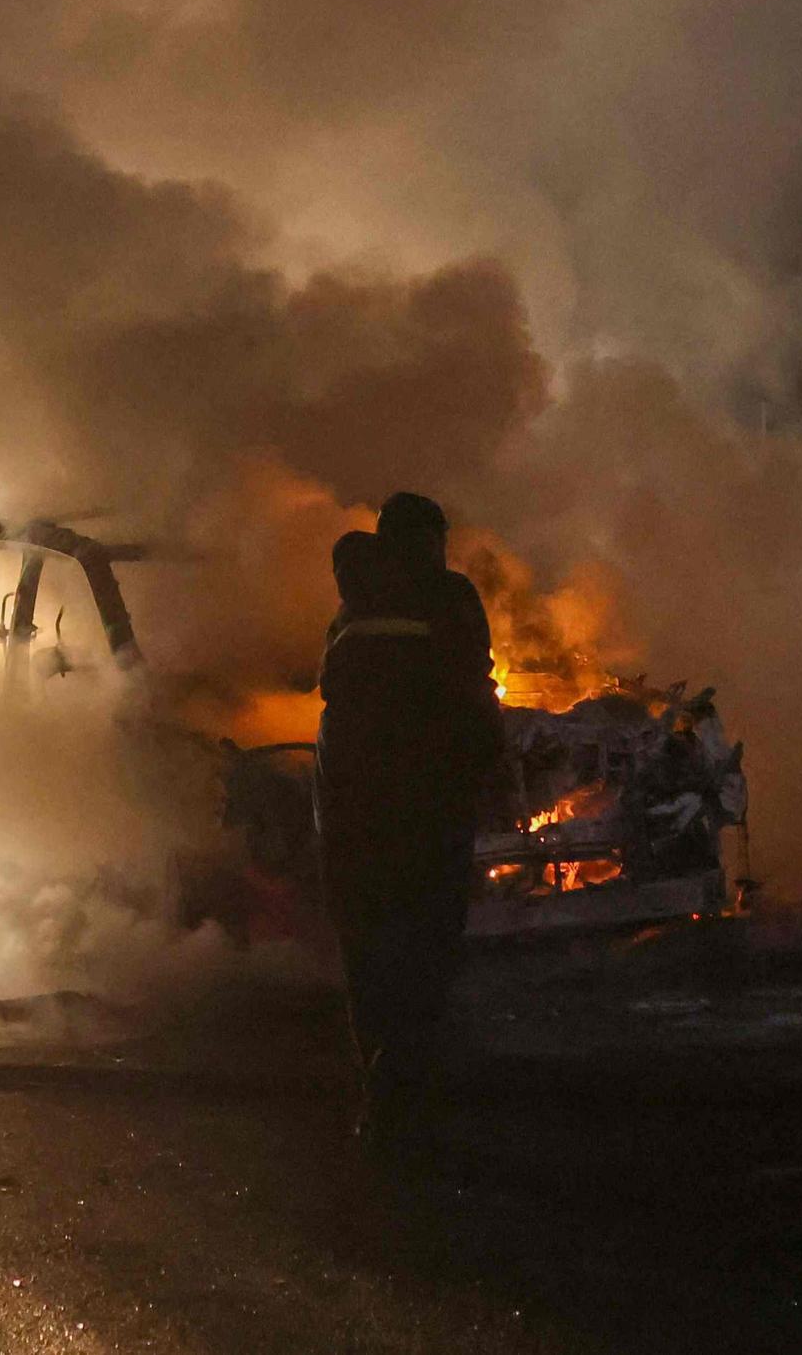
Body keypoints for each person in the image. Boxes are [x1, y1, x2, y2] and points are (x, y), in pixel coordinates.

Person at [316, 491, 501, 1159]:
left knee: (368, 961)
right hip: (427, 814)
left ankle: (379, 1095)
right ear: (426, 539)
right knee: (425, 958)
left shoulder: (354, 600)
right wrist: (493, 776)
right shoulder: (448, 598)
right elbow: (473, 693)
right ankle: (405, 1103)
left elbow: (332, 710)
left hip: (352, 815)